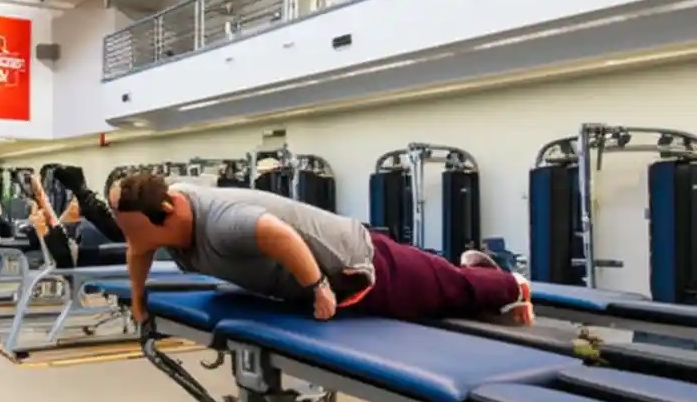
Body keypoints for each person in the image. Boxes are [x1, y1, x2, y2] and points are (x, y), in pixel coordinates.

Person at [53, 167, 532, 327]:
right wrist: (138, 300)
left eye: (141, 232)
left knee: (446, 290)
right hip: (323, 274)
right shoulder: (158, 215)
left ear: (169, 212)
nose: (136, 242)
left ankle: (511, 284)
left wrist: (318, 286)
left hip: (358, 264)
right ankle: (480, 276)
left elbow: (278, 234)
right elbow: (138, 252)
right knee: (443, 288)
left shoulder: (223, 224)